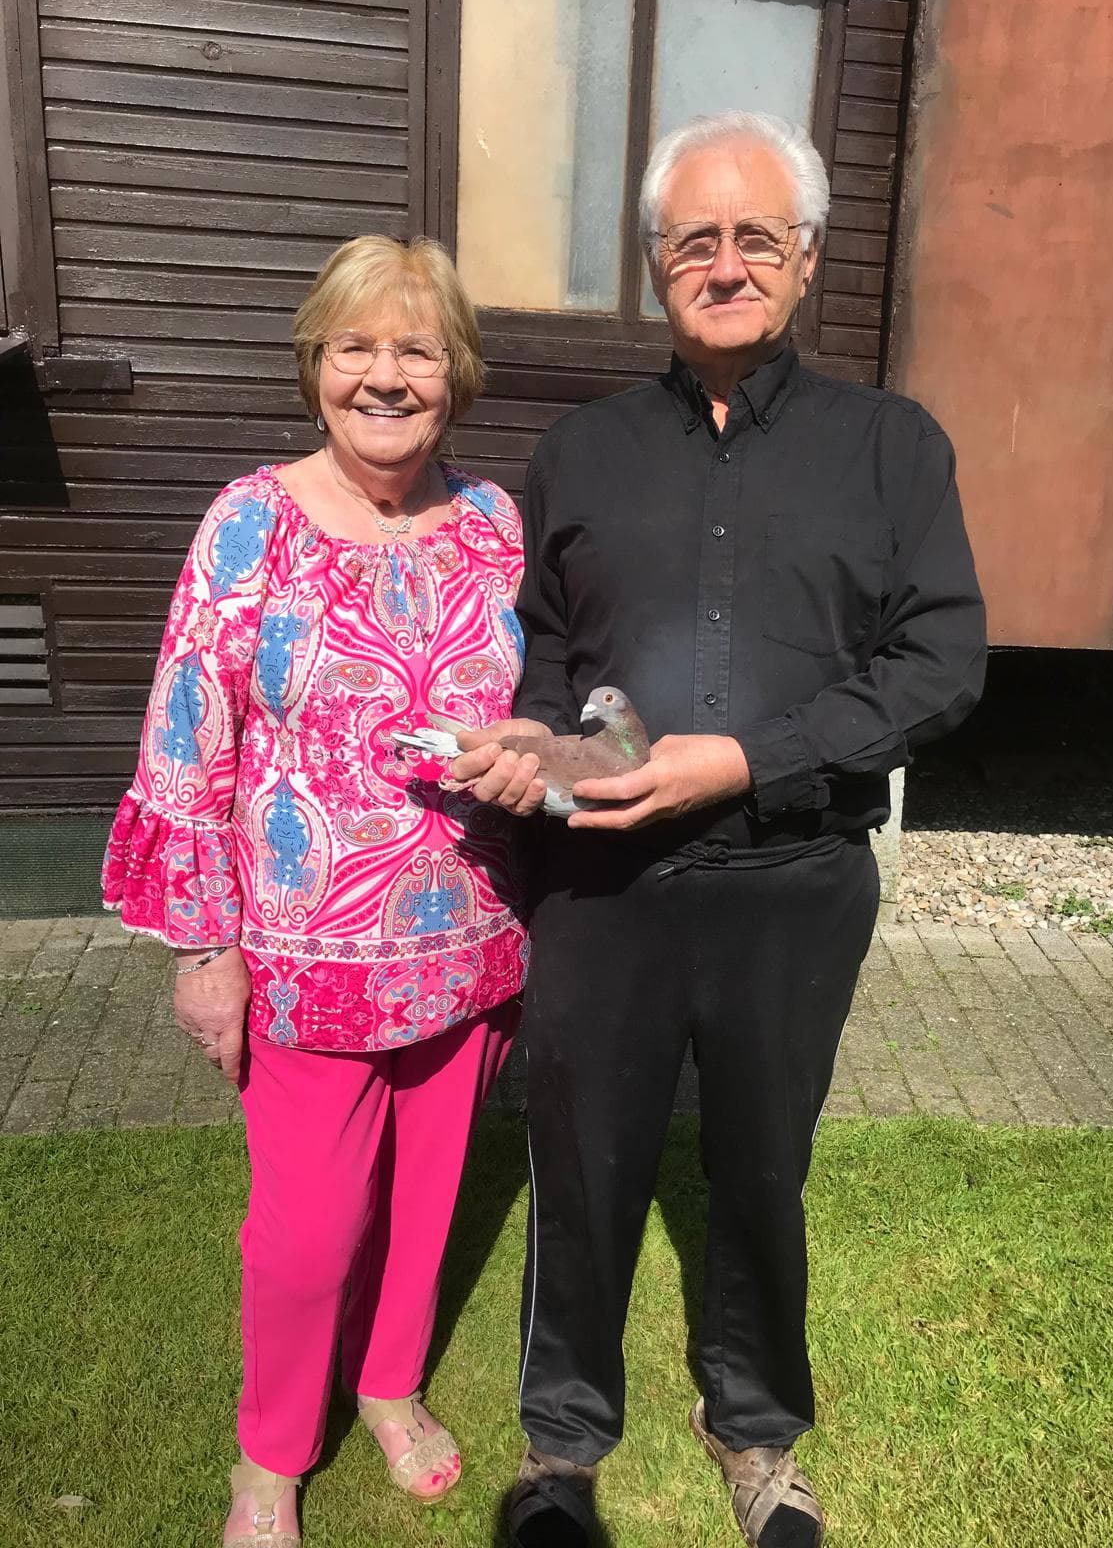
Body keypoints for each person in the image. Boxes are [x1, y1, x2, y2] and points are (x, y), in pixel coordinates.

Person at [452, 111, 987, 1548]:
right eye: (696, 238)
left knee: (759, 1165)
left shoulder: (894, 447)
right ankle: (562, 1448)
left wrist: (746, 757)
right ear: (655, 267)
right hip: (603, 885)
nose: (727, 261)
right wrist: (538, 746)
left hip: (795, 880)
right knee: (584, 1160)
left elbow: (939, 664)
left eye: (757, 235)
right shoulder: (580, 449)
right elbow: (547, 656)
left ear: (805, 260)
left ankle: (753, 1430)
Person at [101, 235, 527, 1546]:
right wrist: (200, 947)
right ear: (317, 364)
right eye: (359, 347)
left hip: (467, 940)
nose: (386, 377)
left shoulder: (495, 522)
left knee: (430, 1193)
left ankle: (391, 1385)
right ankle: (270, 1457)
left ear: (454, 370)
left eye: (416, 348)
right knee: (305, 1233)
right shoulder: (251, 521)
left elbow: (533, 706)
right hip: (299, 963)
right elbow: (190, 739)